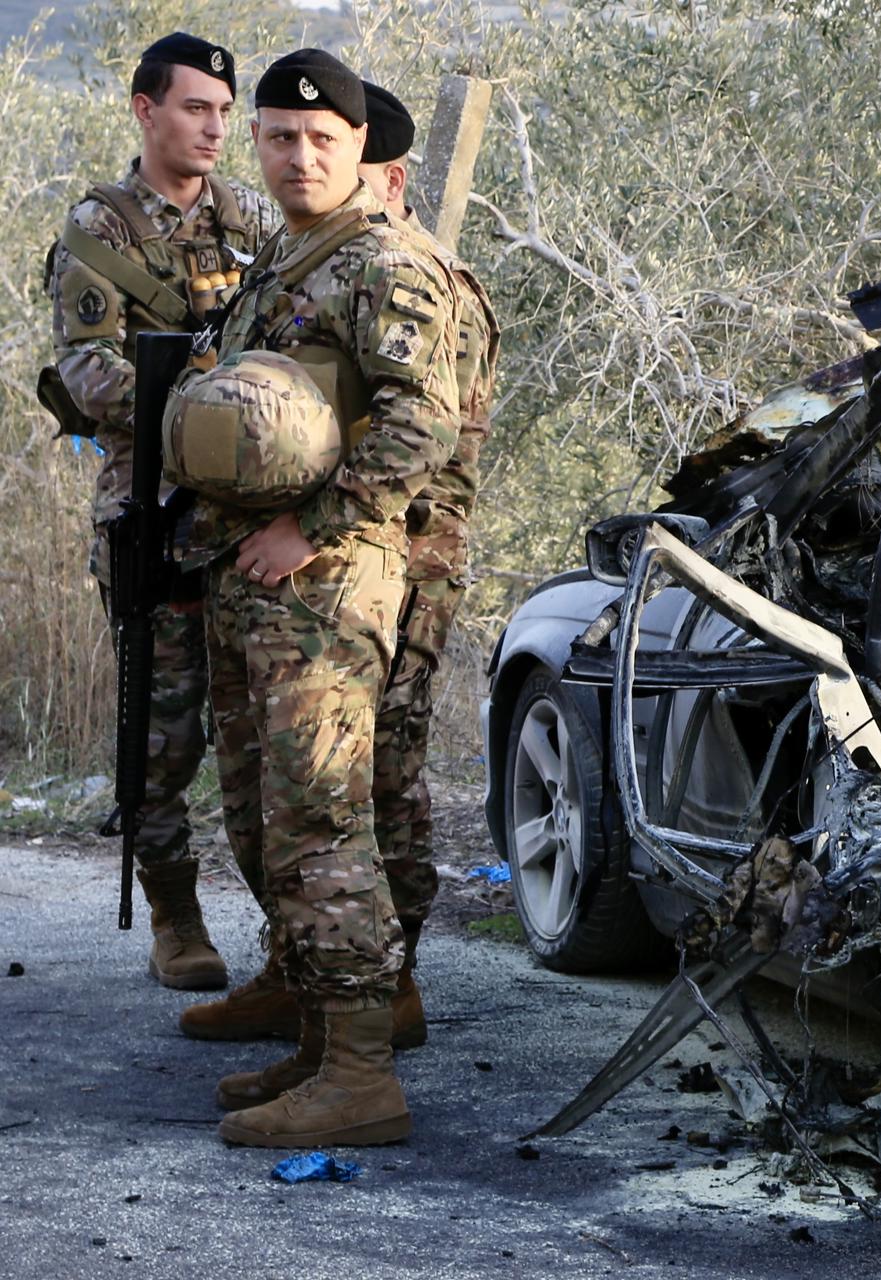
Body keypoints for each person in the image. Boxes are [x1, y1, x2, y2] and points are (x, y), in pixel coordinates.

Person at [174, 48, 462, 1147]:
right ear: (258, 142)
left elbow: (420, 422)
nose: (299, 156)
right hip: (256, 583)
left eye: (323, 141)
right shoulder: (285, 261)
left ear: (359, 153)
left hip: (329, 586)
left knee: (321, 824)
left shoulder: (386, 264)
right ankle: (315, 1032)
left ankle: (360, 1074)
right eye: (281, 138)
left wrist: (314, 524)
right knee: (263, 817)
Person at [42, 32, 277, 991]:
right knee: (162, 733)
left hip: (252, 515)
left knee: (267, 729)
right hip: (154, 514)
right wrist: (214, 402)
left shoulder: (252, 219)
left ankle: (293, 927)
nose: (213, 127)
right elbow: (87, 374)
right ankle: (178, 919)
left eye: (224, 111)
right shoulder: (102, 231)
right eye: (194, 108)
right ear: (146, 111)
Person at [358, 80, 502, 1040]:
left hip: (412, 561)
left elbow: (422, 440)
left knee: (387, 767)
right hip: (370, 555)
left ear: (393, 178)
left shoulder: (424, 282)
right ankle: (317, 969)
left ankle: (394, 977)